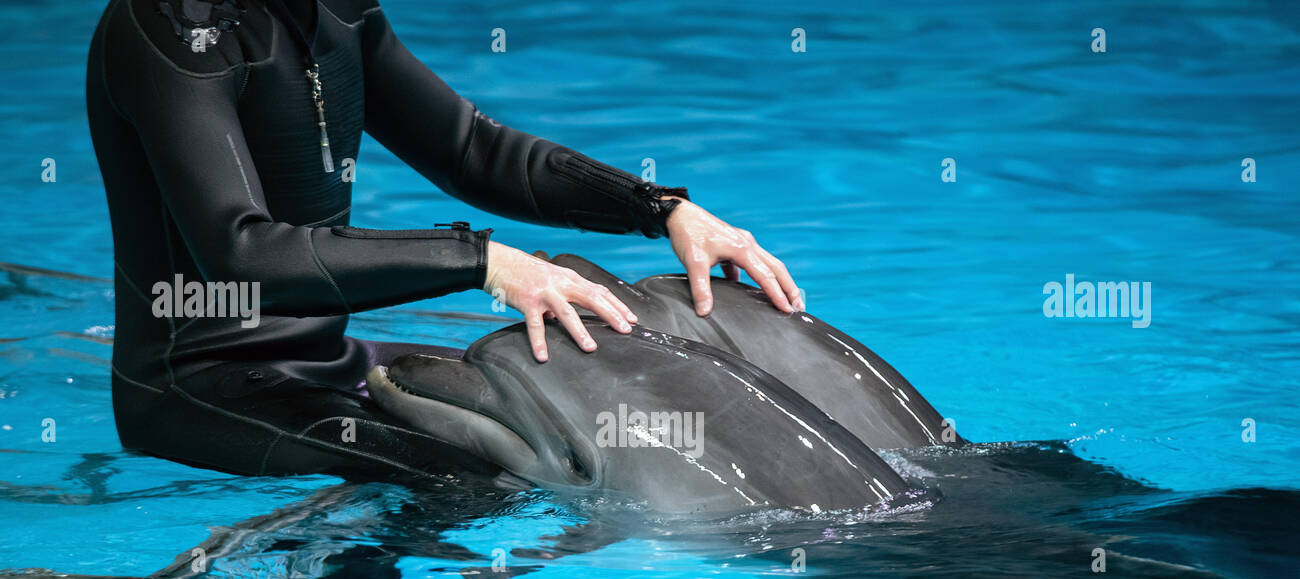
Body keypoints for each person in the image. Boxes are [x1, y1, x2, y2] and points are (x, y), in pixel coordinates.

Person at [87, 0, 802, 479]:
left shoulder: (333, 12)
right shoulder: (164, 34)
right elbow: (243, 251)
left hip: (328, 359)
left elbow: (472, 152)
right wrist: (483, 263)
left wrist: (664, 208)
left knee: (614, 403)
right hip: (198, 387)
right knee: (482, 478)